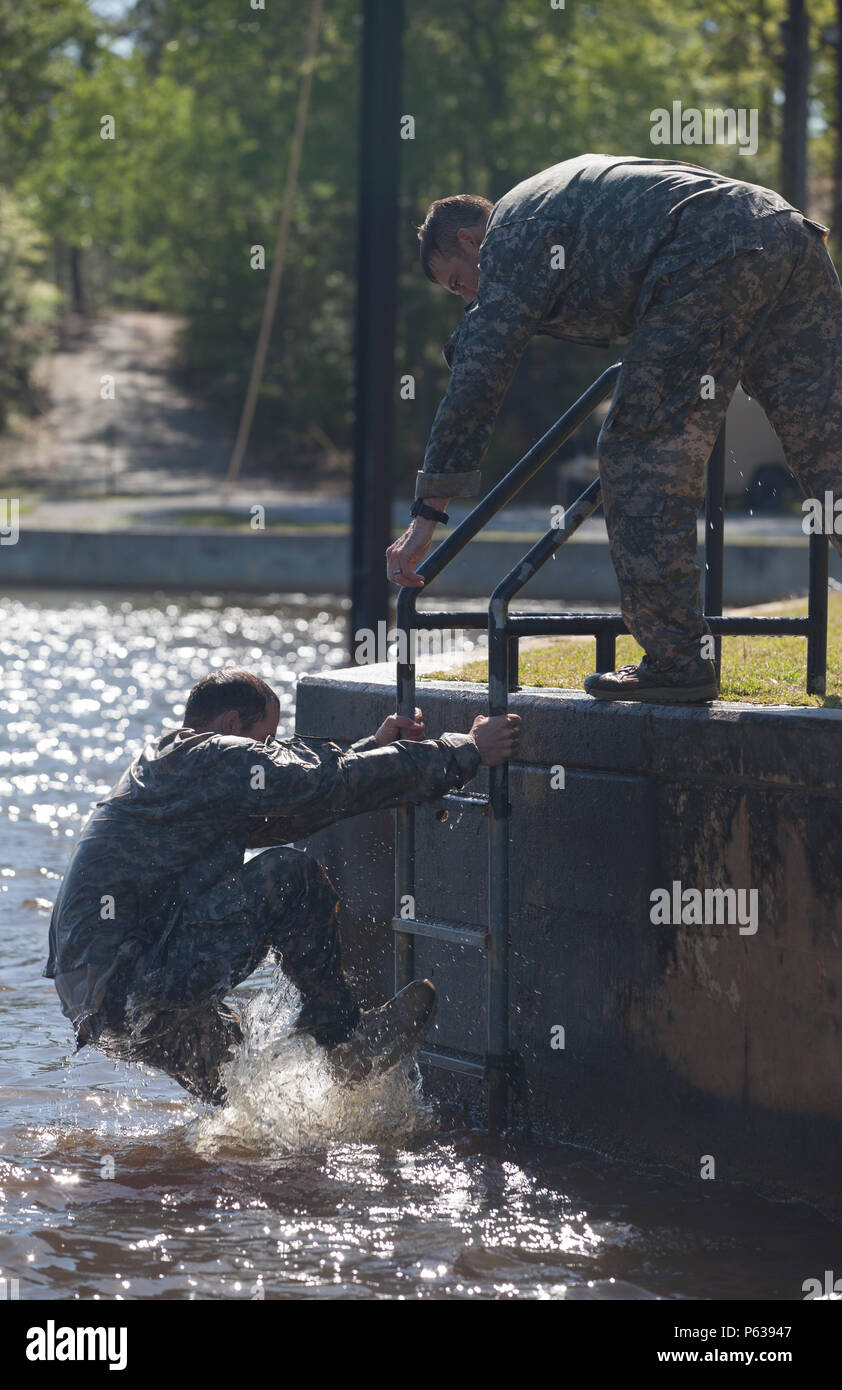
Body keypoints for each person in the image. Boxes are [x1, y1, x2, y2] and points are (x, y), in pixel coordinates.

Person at [386, 153, 841, 703]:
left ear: (469, 239)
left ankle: (678, 661)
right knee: (828, 442)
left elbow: (481, 374)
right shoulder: (550, 208)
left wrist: (428, 512)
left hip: (713, 249)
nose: (469, 299)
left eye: (459, 283)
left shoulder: (510, 233)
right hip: (785, 229)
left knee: (639, 450)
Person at [44, 669, 521, 1104]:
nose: (269, 750)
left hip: (101, 1002)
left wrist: (372, 748)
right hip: (133, 978)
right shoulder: (214, 754)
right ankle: (339, 1040)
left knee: (245, 1095)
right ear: (232, 723)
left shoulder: (171, 767)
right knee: (289, 877)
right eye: (267, 740)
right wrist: (465, 750)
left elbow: (286, 811)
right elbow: (319, 783)